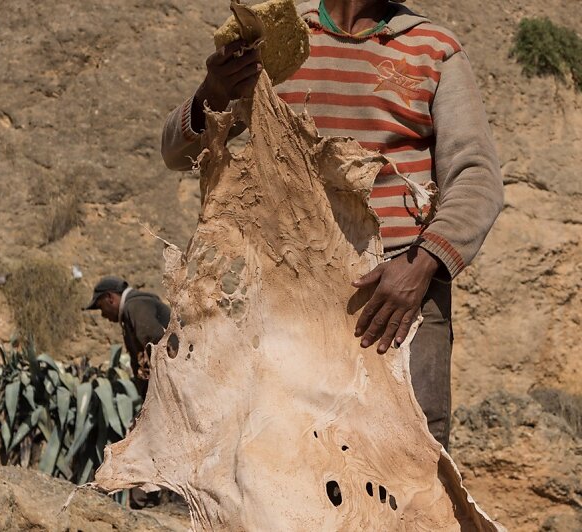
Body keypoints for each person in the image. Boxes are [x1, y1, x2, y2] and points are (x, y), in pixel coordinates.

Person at [160, 0, 504, 449]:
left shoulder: (434, 48)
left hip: (400, 296)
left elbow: (477, 176)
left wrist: (422, 265)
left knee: (410, 460)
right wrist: (216, 90)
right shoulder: (279, 39)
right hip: (290, 292)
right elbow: (175, 152)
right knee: (290, 453)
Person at [83, 276, 171, 398]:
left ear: (110, 298)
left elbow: (157, 344)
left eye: (100, 307)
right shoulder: (134, 307)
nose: (102, 314)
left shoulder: (135, 306)